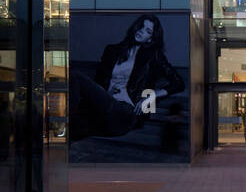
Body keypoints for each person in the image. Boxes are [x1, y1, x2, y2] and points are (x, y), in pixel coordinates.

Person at [69, 14, 184, 142]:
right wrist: (105, 92)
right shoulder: (112, 51)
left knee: (74, 75)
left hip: (126, 112)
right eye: (141, 26)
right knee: (70, 130)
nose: (142, 31)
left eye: (148, 31)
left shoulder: (154, 57)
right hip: (103, 109)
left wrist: (150, 97)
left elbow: (178, 83)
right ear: (135, 27)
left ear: (150, 39)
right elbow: (97, 83)